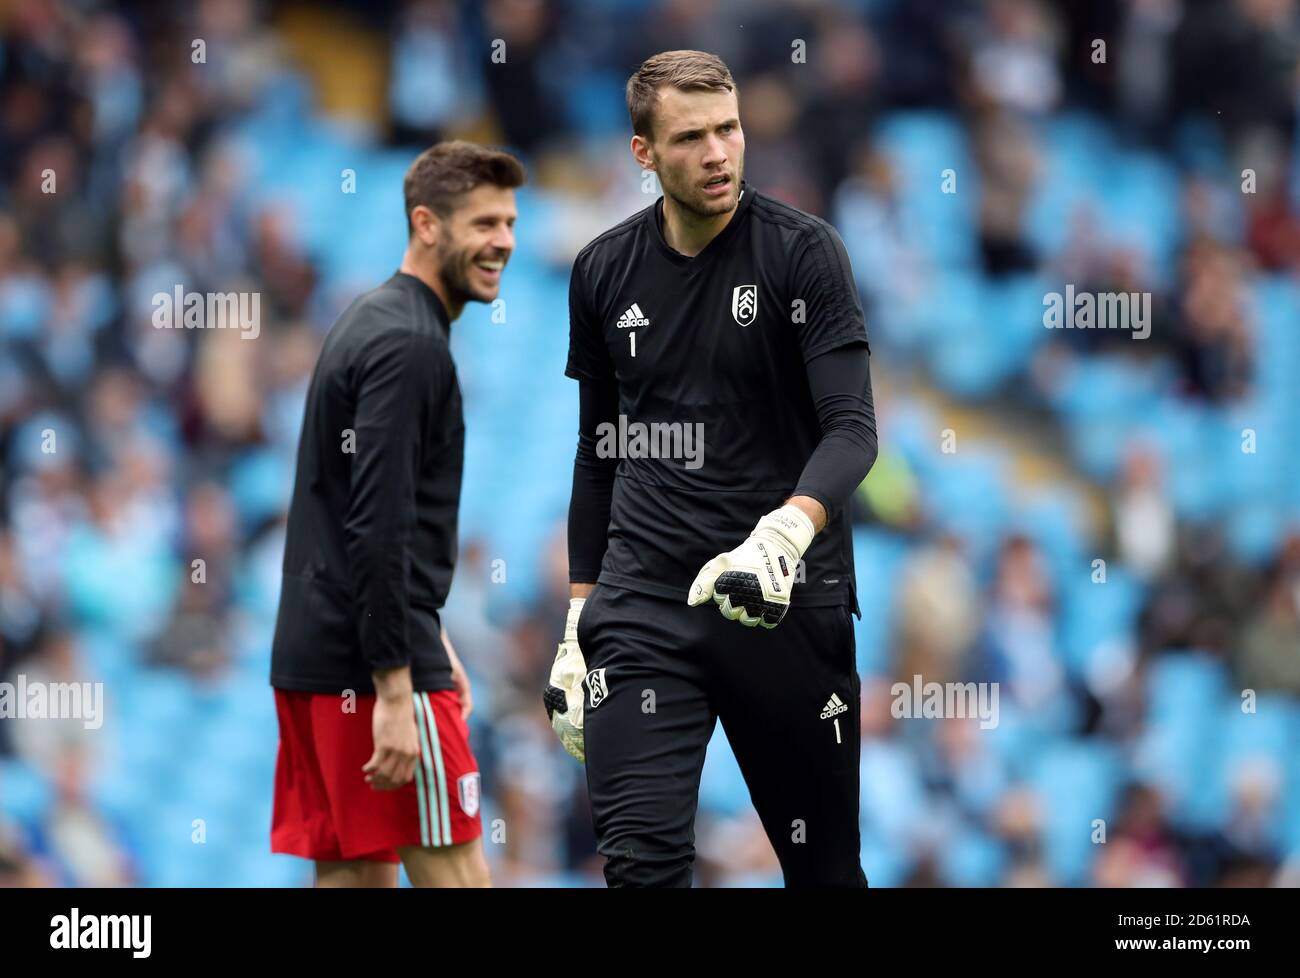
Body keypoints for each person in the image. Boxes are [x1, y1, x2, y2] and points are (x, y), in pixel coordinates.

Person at [546, 51, 878, 887]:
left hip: (781, 599)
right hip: (645, 604)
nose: (720, 153)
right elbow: (599, 452)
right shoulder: (602, 271)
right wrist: (575, 623)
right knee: (641, 871)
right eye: (691, 137)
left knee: (826, 874)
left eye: (729, 129)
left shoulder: (806, 255)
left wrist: (784, 532)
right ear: (643, 154)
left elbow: (853, 431)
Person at [270, 141, 525, 888]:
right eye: (483, 223)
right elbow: (377, 524)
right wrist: (395, 684)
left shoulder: (373, 321)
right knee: (460, 877)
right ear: (427, 224)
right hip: (373, 668)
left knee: (354, 876)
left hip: (319, 656)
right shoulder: (412, 345)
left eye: (509, 222)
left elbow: (361, 512)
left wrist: (430, 634)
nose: (503, 241)